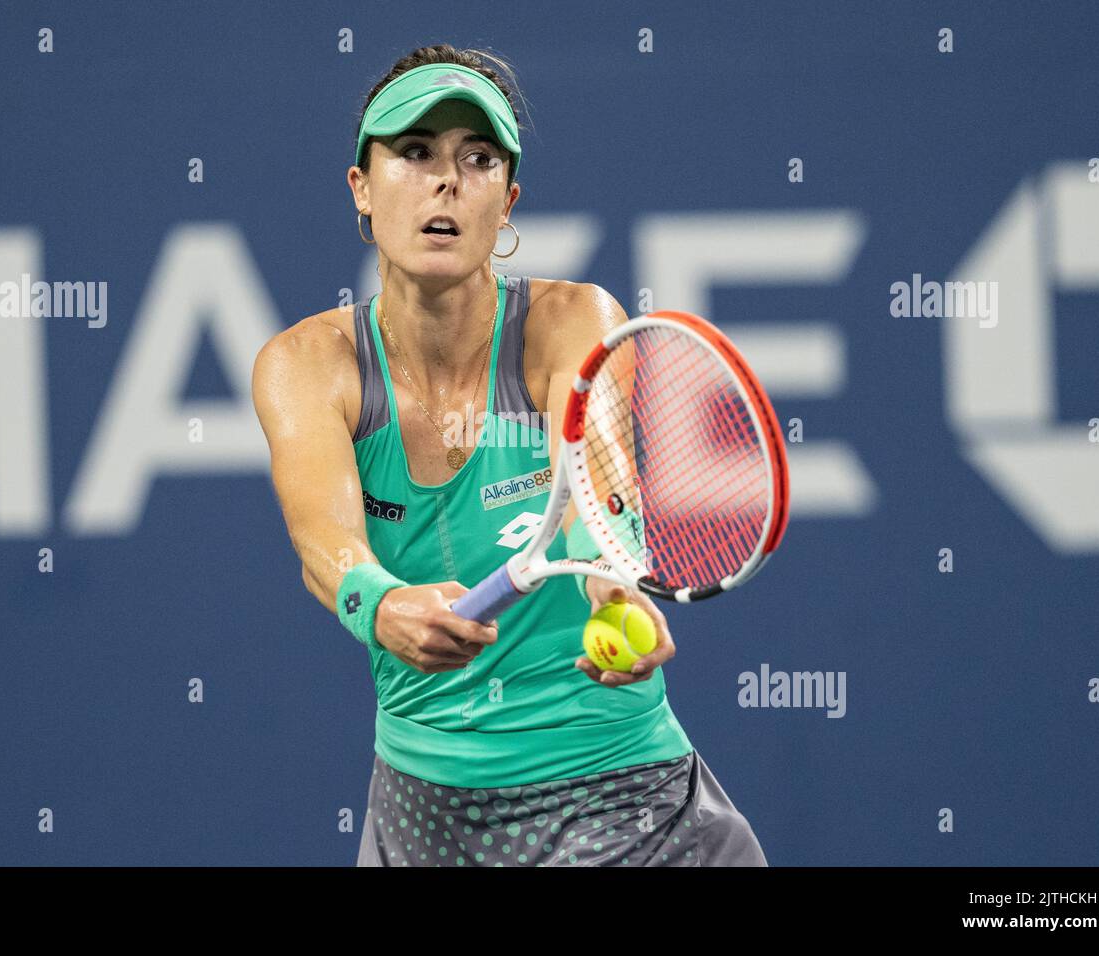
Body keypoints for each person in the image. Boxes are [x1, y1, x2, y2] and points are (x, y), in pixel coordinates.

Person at [252, 43, 767, 866]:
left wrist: (608, 581)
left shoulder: (573, 322)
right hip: (426, 817)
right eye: (414, 153)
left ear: (508, 202)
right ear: (361, 188)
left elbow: (600, 485)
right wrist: (382, 604)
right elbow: (326, 547)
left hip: (623, 799)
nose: (446, 181)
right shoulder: (307, 365)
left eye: (478, 158)